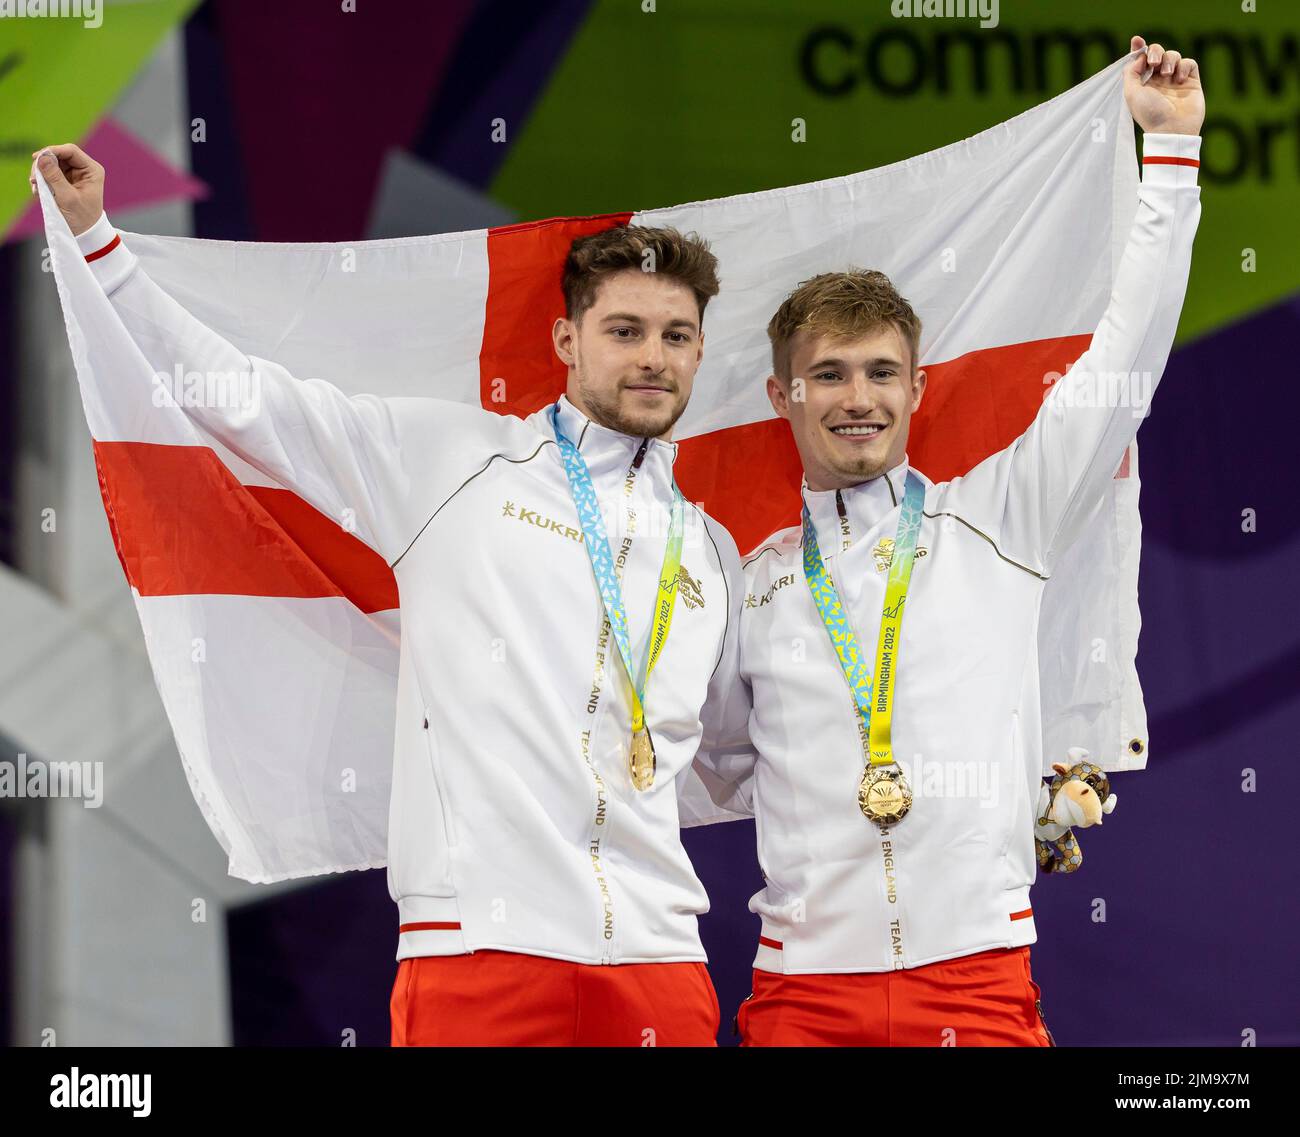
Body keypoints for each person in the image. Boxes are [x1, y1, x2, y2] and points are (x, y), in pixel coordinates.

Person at [31, 144, 745, 1047]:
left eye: (675, 335)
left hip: (662, 967)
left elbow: (732, 747)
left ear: (700, 351)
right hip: (478, 955)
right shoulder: (451, 462)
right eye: (625, 330)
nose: (652, 357)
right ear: (569, 341)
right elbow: (250, 403)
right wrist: (101, 245)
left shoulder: (708, 547)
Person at [699, 36, 1204, 1046]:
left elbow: (1126, 356)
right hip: (799, 998)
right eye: (829, 374)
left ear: (917, 389)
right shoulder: (745, 587)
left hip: (974, 991)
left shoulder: (998, 517)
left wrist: (1172, 157)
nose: (857, 399)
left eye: (881, 373)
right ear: (780, 397)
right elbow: (717, 757)